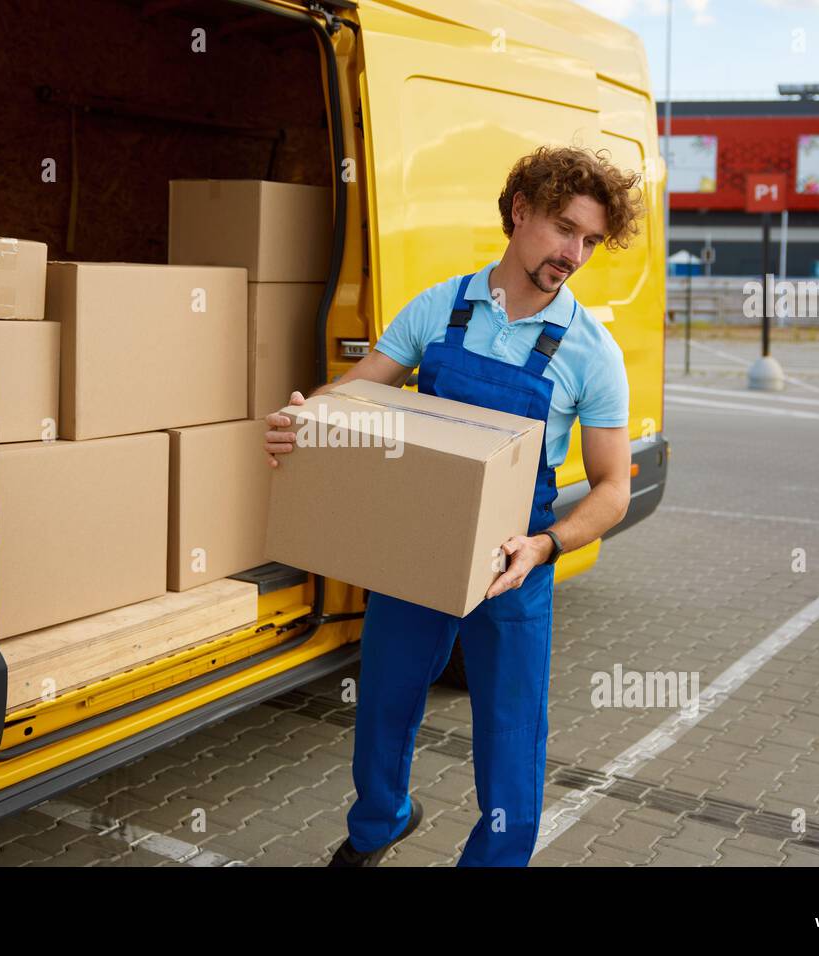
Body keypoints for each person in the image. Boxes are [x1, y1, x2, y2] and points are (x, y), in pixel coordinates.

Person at [263, 145, 645, 866]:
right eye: (564, 228)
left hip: (516, 559)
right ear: (520, 210)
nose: (575, 253)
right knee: (383, 704)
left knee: (509, 739)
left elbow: (613, 486)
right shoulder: (442, 308)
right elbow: (358, 392)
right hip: (419, 545)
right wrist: (302, 418)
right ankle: (380, 824)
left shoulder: (592, 353)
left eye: (591, 240)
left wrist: (547, 546)